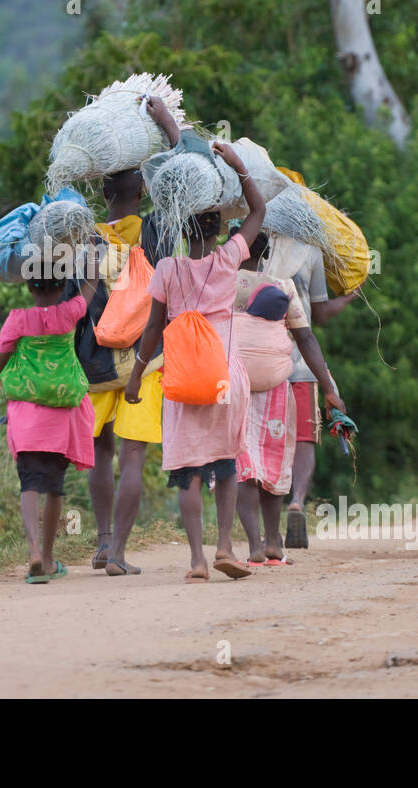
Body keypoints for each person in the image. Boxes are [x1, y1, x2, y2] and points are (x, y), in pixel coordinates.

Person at [124, 138, 265, 583]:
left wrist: (136, 376)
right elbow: (258, 212)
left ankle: (198, 561)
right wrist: (239, 165)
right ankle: (226, 545)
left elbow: (151, 330)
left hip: (183, 378)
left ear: (183, 231)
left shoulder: (168, 269)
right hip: (225, 377)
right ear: (219, 230)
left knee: (187, 469)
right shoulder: (229, 260)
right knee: (224, 463)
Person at [75, 94, 176, 577]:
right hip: (143, 363)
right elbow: (184, 187)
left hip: (93, 364)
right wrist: (168, 128)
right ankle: (118, 556)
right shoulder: (154, 233)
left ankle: (102, 540)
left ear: (102, 194)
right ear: (143, 188)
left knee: (101, 451)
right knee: (132, 455)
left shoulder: (84, 238)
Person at [233, 231, 347, 565]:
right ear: (265, 253)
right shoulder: (282, 287)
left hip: (235, 389)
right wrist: (328, 387)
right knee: (274, 464)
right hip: (279, 389)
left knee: (244, 467)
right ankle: (274, 544)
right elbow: (307, 336)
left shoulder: (221, 284)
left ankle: (253, 545)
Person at [0, 255, 99, 584]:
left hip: (27, 419)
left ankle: (34, 551)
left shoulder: (17, 320)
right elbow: (90, 289)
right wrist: (92, 259)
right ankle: (50, 560)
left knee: (30, 485)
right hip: (61, 420)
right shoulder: (69, 314)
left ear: (27, 285)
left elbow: (0, 361)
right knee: (54, 487)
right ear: (62, 285)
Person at [261, 234, 357, 549]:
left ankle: (265, 527)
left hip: (257, 361)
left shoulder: (247, 239)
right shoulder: (309, 249)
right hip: (301, 362)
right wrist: (351, 296)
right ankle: (297, 501)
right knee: (303, 438)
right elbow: (322, 313)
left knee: (261, 439)